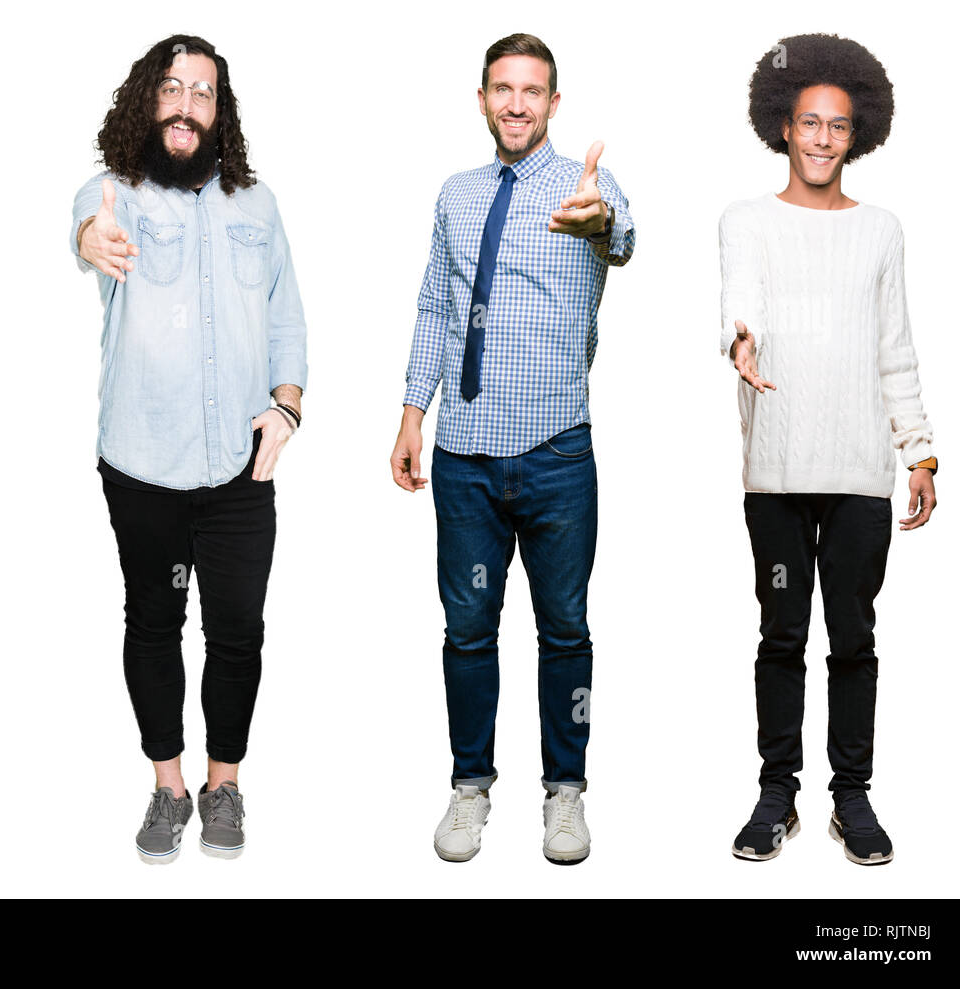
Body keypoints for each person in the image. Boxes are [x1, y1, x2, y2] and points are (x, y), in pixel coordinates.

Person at [390, 33, 634, 864]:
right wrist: (411, 412)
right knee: (467, 630)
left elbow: (624, 234)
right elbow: (434, 307)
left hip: (557, 453)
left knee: (565, 629)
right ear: (484, 98)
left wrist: (605, 219)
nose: (518, 103)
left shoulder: (585, 188)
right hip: (464, 459)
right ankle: (470, 786)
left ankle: (566, 793)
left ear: (555, 103)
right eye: (503, 88)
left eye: (533, 90)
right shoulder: (457, 194)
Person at [70, 34, 307, 863]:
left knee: (239, 629)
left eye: (201, 93)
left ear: (219, 112)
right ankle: (168, 786)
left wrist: (287, 408)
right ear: (148, 99)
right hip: (142, 465)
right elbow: (87, 232)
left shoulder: (258, 205)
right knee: (155, 621)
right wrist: (87, 241)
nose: (184, 104)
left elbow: (285, 317)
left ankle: (224, 782)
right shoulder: (115, 193)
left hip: (243, 465)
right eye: (170, 88)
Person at [722, 33, 936, 866]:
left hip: (859, 476)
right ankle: (779, 794)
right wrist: (740, 337)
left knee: (852, 635)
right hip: (774, 472)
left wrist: (920, 450)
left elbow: (896, 347)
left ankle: (853, 796)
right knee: (781, 635)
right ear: (781, 126)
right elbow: (741, 294)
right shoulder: (745, 220)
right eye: (806, 122)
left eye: (836, 126)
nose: (819, 139)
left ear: (858, 134)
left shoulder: (881, 230)